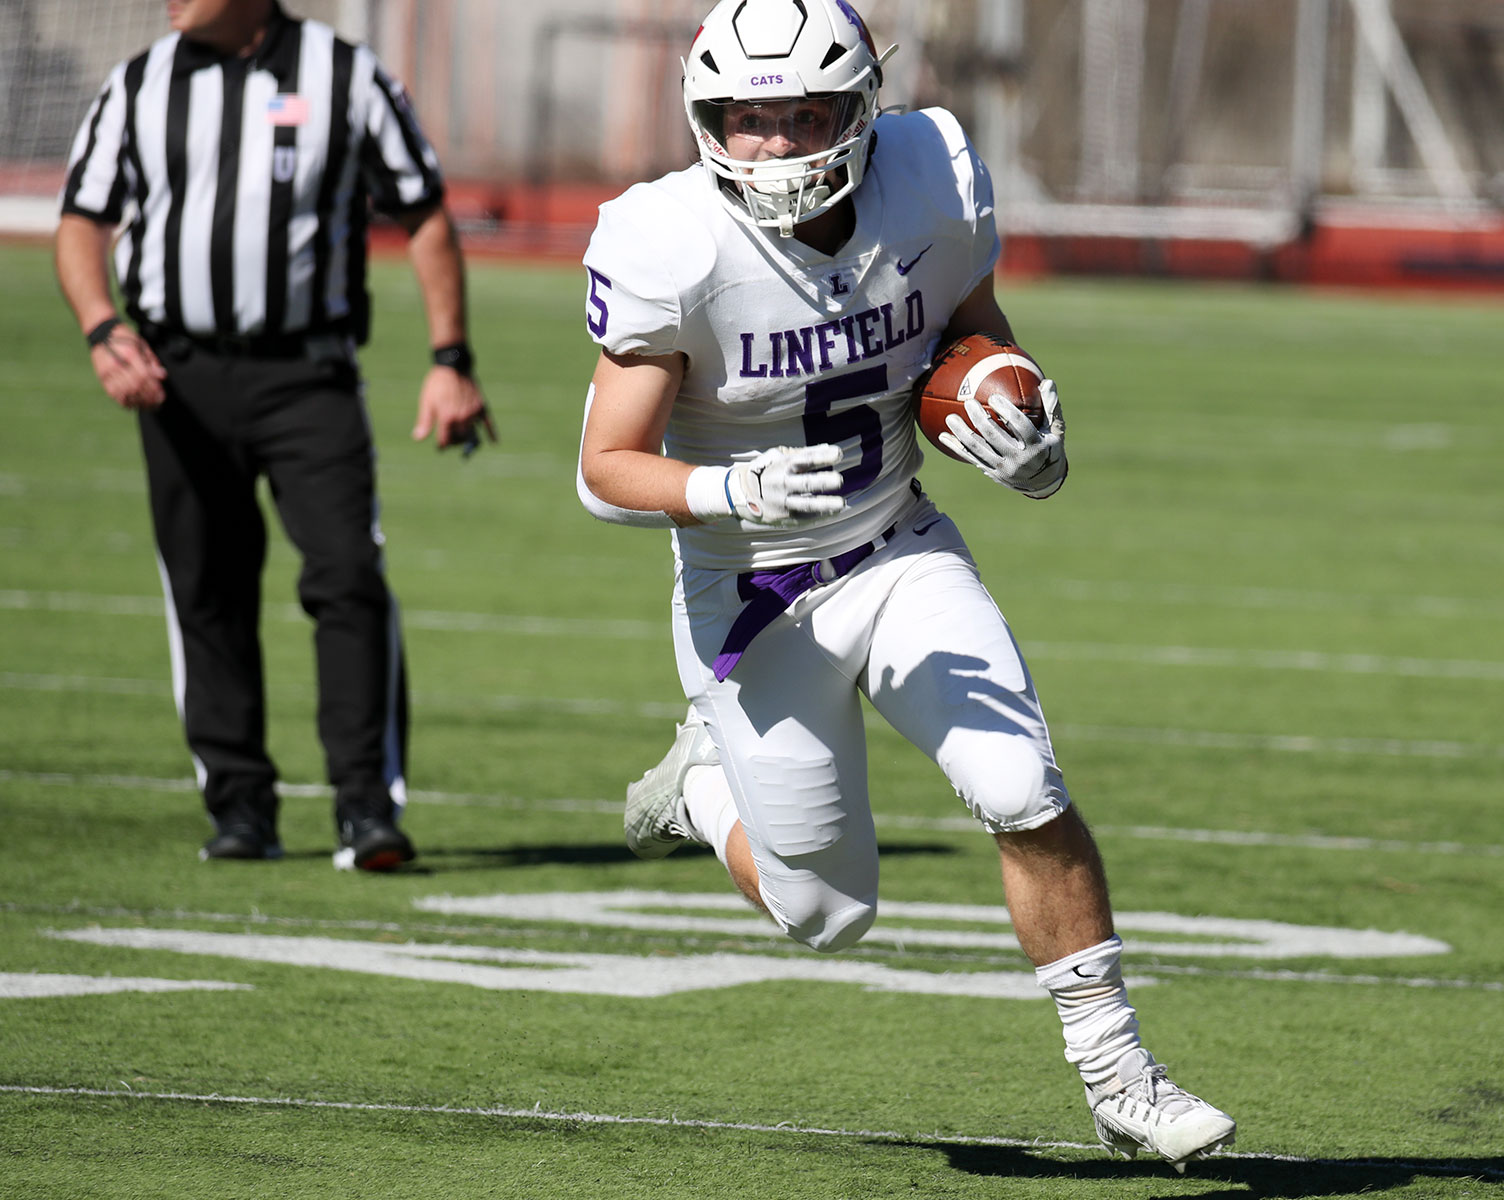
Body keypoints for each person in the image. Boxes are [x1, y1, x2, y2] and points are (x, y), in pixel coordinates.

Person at [576, 0, 1234, 1167]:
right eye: (744, 118)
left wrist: (1026, 430)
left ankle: (1118, 1075)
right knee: (828, 913)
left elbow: (971, 336)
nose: (771, 143)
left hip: (896, 547)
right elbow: (604, 469)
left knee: (1021, 783)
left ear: (861, 111)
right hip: (752, 600)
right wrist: (731, 493)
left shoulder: (930, 178)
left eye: (800, 116)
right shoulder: (669, 242)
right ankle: (701, 793)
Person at [54, 0, 495, 870]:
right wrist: (104, 329)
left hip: (308, 377)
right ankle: (240, 805)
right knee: (207, 585)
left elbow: (426, 211)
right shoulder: (138, 83)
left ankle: (367, 806)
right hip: (178, 378)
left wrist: (451, 358)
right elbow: (82, 220)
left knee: (346, 575)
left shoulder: (349, 76)